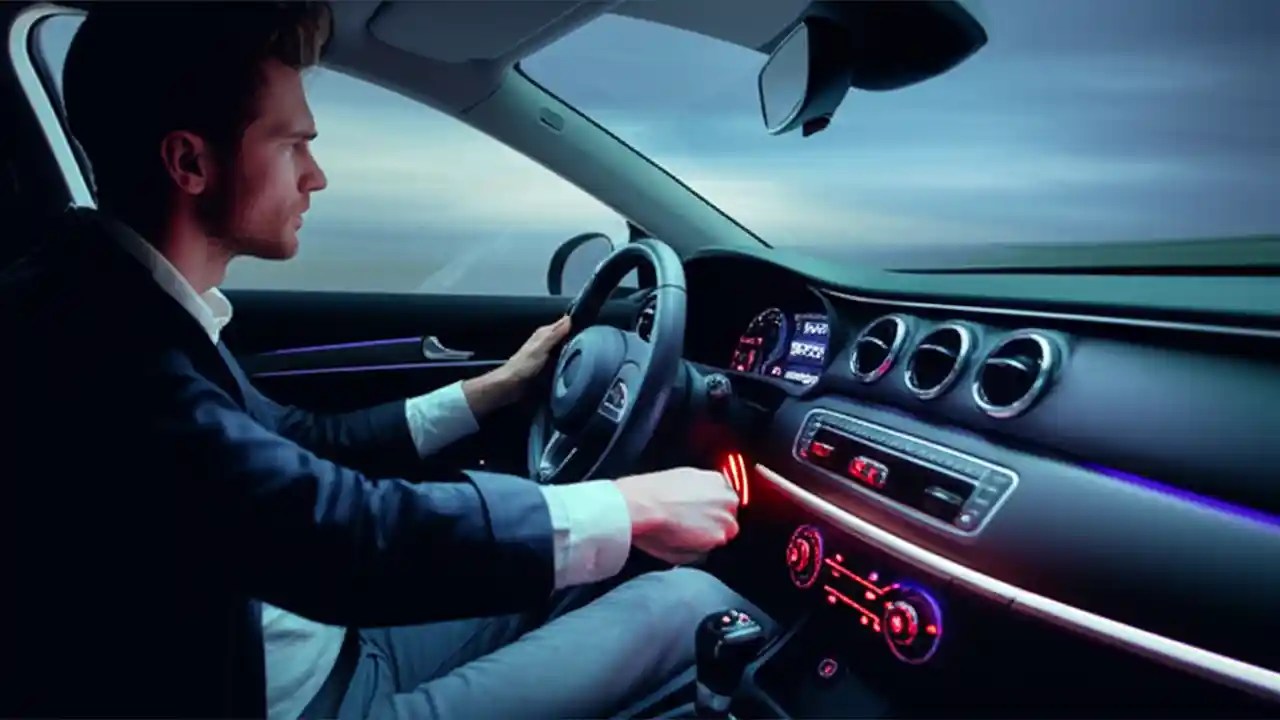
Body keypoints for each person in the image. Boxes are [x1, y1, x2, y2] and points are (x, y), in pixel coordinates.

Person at [0, 3, 768, 718]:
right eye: (293, 143)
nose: (316, 175)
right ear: (189, 163)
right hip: (303, 701)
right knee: (695, 605)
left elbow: (303, 446)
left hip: (322, 638)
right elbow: (334, 535)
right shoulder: (98, 353)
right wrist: (633, 507)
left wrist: (493, 390)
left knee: (581, 553)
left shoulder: (118, 301)